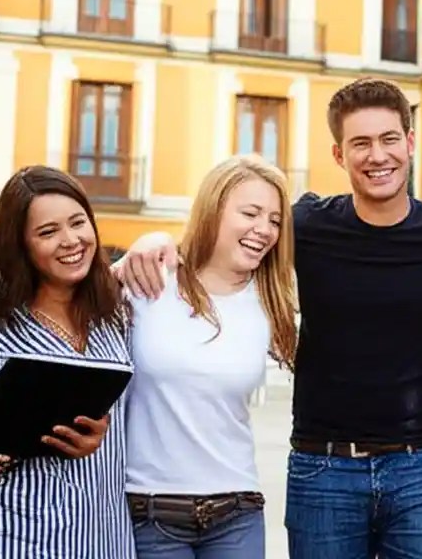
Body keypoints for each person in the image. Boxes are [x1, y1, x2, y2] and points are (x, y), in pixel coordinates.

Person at [118, 79, 422, 558]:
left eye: (389, 139)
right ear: (339, 155)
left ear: (410, 142)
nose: (377, 155)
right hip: (323, 470)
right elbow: (223, 236)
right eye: (360, 143)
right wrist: (154, 239)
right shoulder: (303, 225)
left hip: (421, 467)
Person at [124, 155, 298, 557]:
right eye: (251, 213)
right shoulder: (149, 280)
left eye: (274, 220)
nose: (264, 230)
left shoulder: (271, 302)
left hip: (237, 513)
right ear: (213, 209)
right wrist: (151, 239)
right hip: (150, 515)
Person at [0, 167, 135, 557]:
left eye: (78, 223)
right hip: (12, 536)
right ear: (20, 246)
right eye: (47, 232)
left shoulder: (116, 320)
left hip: (103, 537)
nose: (71, 241)